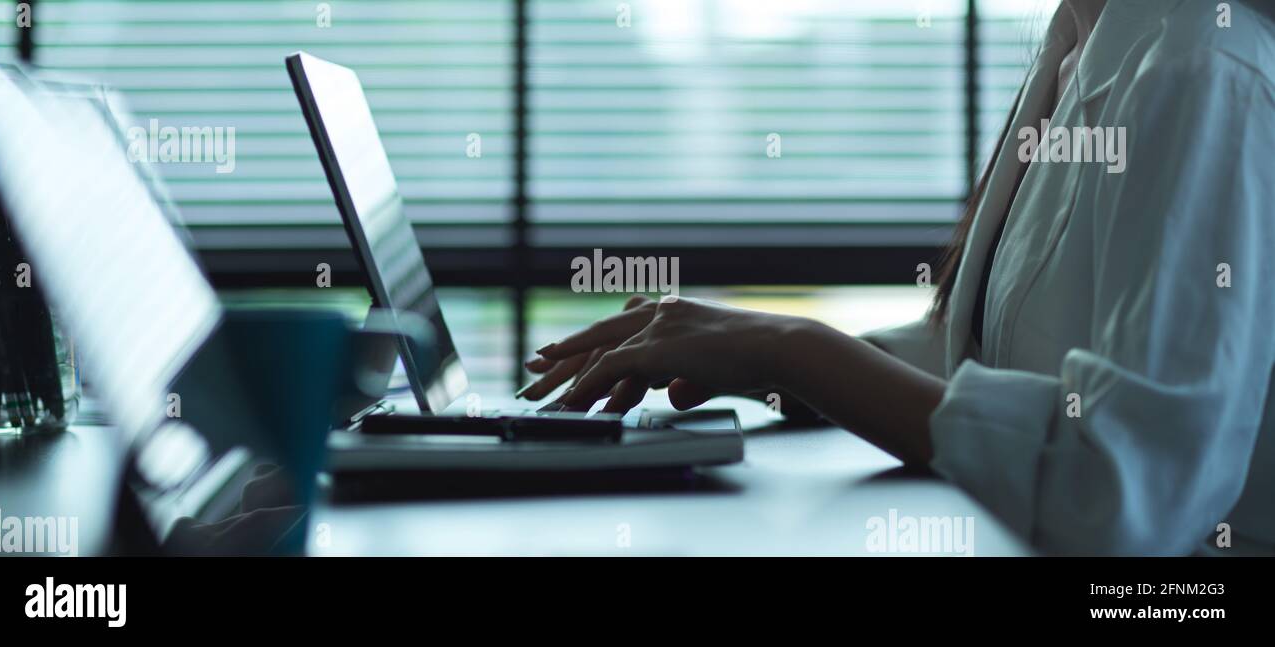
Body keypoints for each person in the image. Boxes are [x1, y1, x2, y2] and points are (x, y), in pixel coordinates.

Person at [517, 0, 1275, 556]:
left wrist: (793, 351)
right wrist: (740, 347)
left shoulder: (1200, 68)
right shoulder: (1081, 37)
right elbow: (977, 356)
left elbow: (1129, 493)